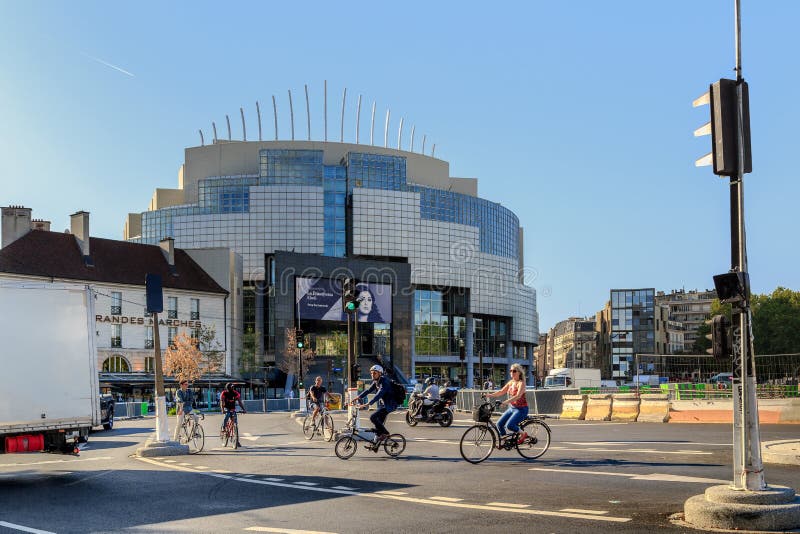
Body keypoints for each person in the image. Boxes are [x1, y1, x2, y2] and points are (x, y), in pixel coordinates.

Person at [485, 363, 528, 447]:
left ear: (519, 372)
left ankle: (523, 434)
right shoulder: (511, 382)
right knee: (499, 424)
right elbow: (501, 392)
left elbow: (518, 396)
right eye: (510, 371)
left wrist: (505, 402)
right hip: (512, 408)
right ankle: (505, 442)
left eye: (514, 371)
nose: (512, 372)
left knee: (510, 425)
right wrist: (489, 395)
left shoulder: (521, 383)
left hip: (521, 409)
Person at [354, 364, 397, 440]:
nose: (372, 375)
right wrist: (358, 397)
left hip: (389, 405)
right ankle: (376, 445)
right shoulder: (376, 381)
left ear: (380, 373)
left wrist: (369, 403)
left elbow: (379, 394)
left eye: (374, 373)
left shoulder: (384, 382)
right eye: (371, 373)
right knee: (378, 426)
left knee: (373, 417)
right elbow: (368, 390)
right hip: (383, 404)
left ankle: (386, 433)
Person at [220, 383, 246, 447]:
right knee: (227, 416)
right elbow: (222, 401)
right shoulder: (224, 393)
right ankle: (224, 427)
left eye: (233, 387)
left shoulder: (235, 393)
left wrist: (243, 409)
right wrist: (222, 409)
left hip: (232, 408)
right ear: (227, 387)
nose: (232, 388)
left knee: (235, 423)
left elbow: (239, 402)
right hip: (226, 408)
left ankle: (236, 441)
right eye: (231, 387)